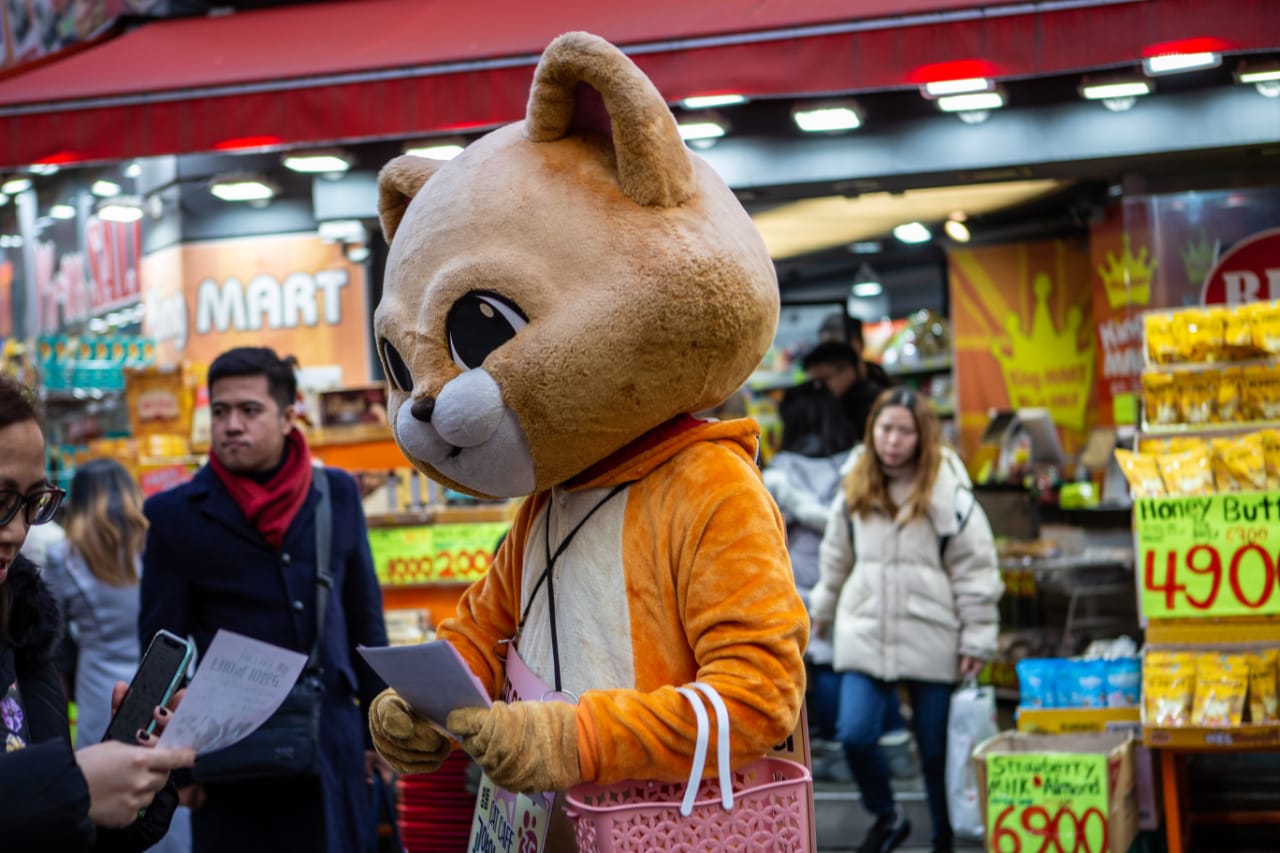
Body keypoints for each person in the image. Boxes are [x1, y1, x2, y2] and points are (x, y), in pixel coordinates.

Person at [138, 347, 390, 853]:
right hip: (231, 758)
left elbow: (366, 621)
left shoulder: (337, 493)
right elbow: (161, 646)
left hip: (330, 746)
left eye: (249, 411)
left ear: (287, 414)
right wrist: (175, 766)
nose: (232, 425)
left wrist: (376, 735)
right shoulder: (175, 515)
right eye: (220, 412)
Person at [0, 374, 195, 850]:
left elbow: (69, 832)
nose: (18, 531)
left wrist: (137, 779)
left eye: (32, 504)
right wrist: (75, 786)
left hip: (94, 690)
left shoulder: (23, 625)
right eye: (1, 500)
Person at [810, 387, 1002, 853]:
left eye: (904, 430)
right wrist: (821, 611)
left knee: (934, 752)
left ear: (922, 435)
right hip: (864, 629)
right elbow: (836, 556)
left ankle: (943, 838)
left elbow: (975, 569)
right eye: (885, 428)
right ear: (872, 430)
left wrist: (976, 640)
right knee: (854, 735)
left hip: (931, 633)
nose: (892, 440)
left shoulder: (948, 490)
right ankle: (888, 816)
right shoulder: (855, 482)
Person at [45, 458, 191, 853]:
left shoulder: (66, 555)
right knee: (161, 781)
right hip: (161, 678)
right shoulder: (157, 540)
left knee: (108, 794)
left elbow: (54, 634)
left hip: (100, 689)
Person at [802, 341, 886, 445]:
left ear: (847, 372)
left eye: (822, 381)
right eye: (814, 383)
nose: (818, 388)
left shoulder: (874, 405)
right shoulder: (836, 402)